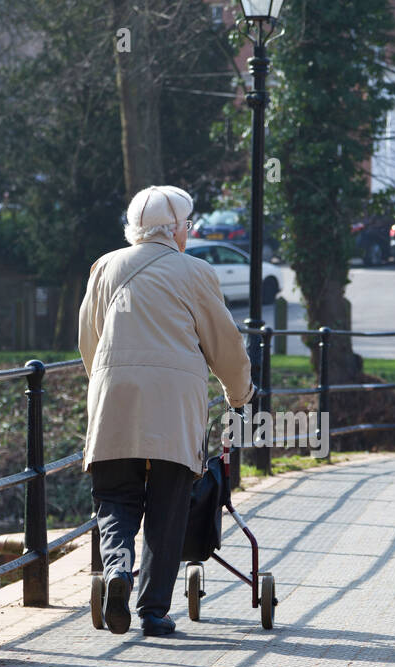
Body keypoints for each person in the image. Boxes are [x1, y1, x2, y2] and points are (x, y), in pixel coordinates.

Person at [79, 184, 255, 636]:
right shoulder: (195, 272)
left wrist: (104, 385)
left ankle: (117, 569)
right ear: (177, 229)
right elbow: (225, 345)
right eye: (189, 226)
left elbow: (89, 341)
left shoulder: (105, 266)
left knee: (115, 497)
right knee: (168, 505)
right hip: (174, 405)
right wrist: (240, 396)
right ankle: (153, 612)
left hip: (115, 397)